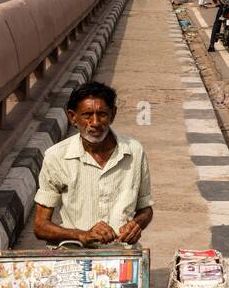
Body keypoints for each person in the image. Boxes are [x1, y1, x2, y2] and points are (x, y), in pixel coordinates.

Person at [33, 81, 154, 247]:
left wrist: (137, 225)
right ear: (73, 117)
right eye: (87, 115)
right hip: (74, 256)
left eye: (102, 114)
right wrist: (82, 235)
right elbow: (40, 226)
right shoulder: (56, 157)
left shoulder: (134, 151)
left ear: (113, 114)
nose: (95, 122)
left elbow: (146, 209)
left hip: (121, 253)